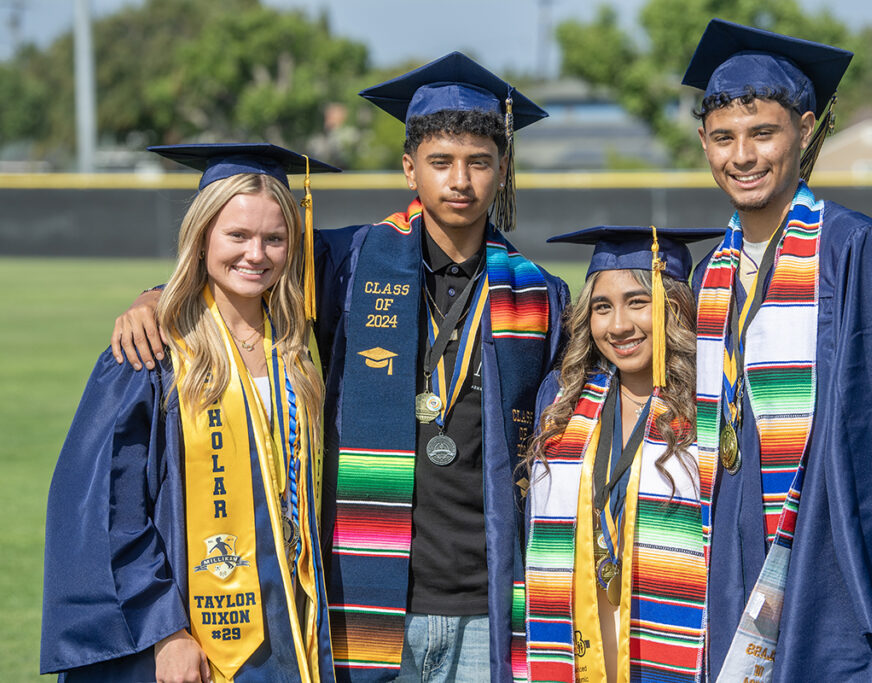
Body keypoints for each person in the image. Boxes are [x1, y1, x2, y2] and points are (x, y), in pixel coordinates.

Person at [108, 53, 569, 682]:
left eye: (479, 163)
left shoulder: (540, 296)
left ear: (502, 170)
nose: (459, 180)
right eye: (440, 162)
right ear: (410, 168)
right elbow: (247, 266)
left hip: (488, 602)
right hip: (364, 596)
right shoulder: (349, 262)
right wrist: (158, 296)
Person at [682, 19, 872, 680]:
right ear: (704, 143)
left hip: (832, 563)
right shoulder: (708, 273)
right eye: (724, 138)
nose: (742, 156)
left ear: (806, 131)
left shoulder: (856, 251)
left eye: (763, 133)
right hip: (731, 556)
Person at [41, 144, 340, 682]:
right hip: (186, 632)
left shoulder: (298, 350)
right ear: (202, 237)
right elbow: (108, 507)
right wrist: (165, 632)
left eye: (275, 239)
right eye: (238, 236)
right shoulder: (150, 353)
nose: (257, 254)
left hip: (289, 623)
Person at [524, 225, 723, 683]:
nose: (618, 325)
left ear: (674, 306)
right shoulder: (562, 401)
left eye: (638, 302)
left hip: (680, 644)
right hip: (579, 641)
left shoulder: (711, 405)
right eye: (602, 307)